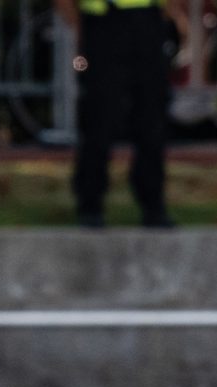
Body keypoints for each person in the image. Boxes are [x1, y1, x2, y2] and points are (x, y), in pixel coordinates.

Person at [55, 0, 179, 228]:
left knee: (152, 119)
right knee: (99, 118)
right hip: (103, 23)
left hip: (148, 22)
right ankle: (90, 204)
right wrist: (79, 26)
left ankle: (153, 204)